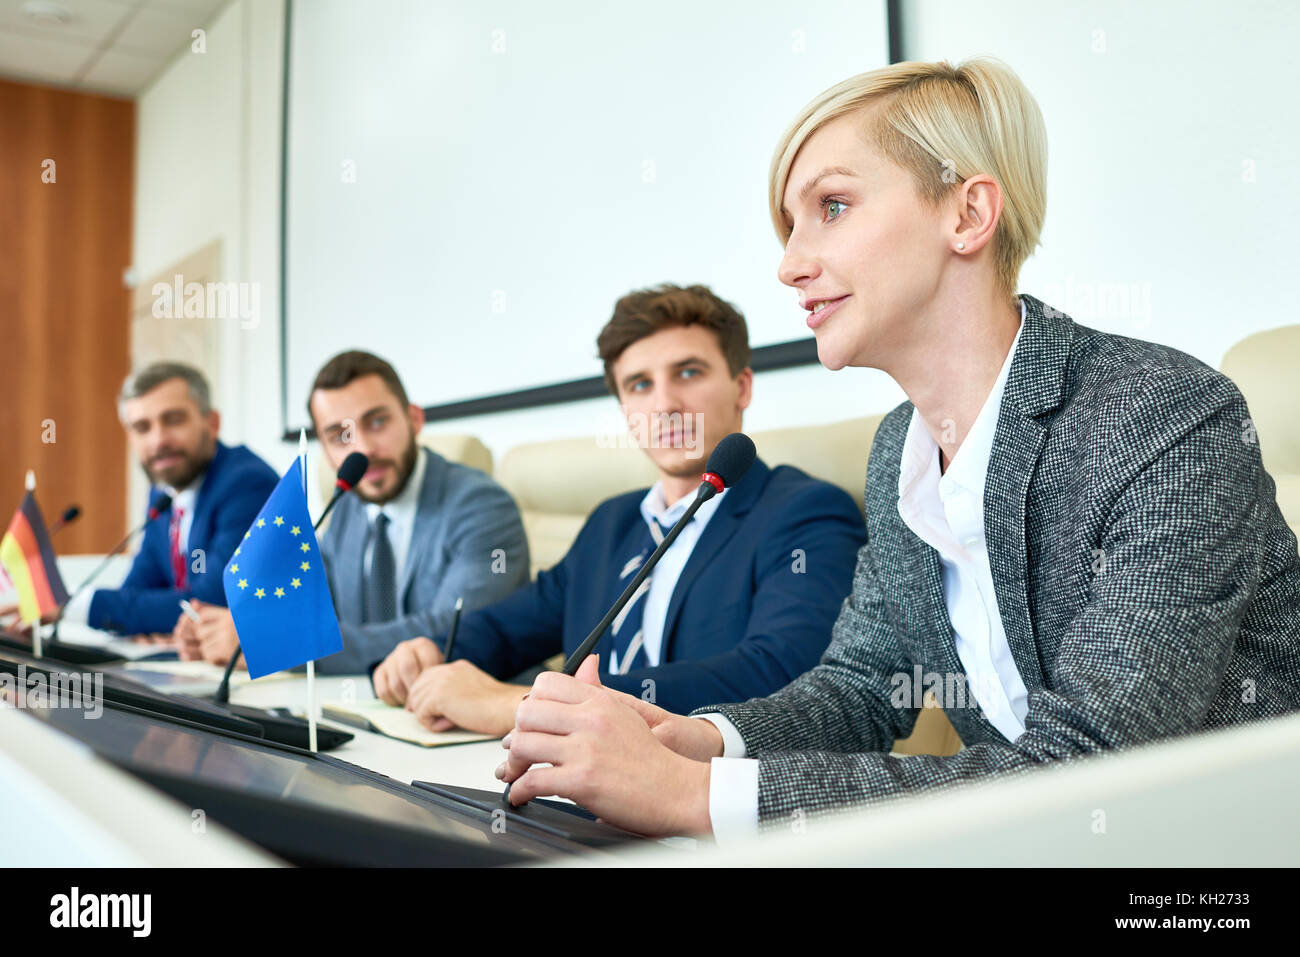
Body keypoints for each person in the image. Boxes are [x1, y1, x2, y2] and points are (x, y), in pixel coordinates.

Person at [495, 57, 1300, 839]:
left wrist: (696, 795)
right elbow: (859, 688)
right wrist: (695, 738)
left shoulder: (1161, 415)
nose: (788, 264)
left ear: (967, 215)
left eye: (833, 207)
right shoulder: (899, 453)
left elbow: (1090, 768)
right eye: (788, 226)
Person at [371, 283, 867, 735]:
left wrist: (533, 706)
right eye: (639, 385)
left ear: (742, 387)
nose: (665, 403)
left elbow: (781, 670)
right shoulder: (611, 523)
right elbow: (506, 627)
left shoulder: (806, 511)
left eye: (688, 373)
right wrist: (431, 651)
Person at [178, 350, 530, 674]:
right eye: (340, 435)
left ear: (414, 419)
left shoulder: (483, 506)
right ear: (324, 449)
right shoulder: (348, 502)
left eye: (377, 422)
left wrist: (274, 642)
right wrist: (227, 629)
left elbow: (452, 633)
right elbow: (311, 608)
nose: (363, 449)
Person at [60, 363, 278, 636]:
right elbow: (139, 585)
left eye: (173, 420)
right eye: (142, 427)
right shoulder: (163, 490)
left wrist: (75, 605)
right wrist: (142, 626)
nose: (158, 441)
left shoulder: (247, 484)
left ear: (212, 424)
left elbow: (208, 604)